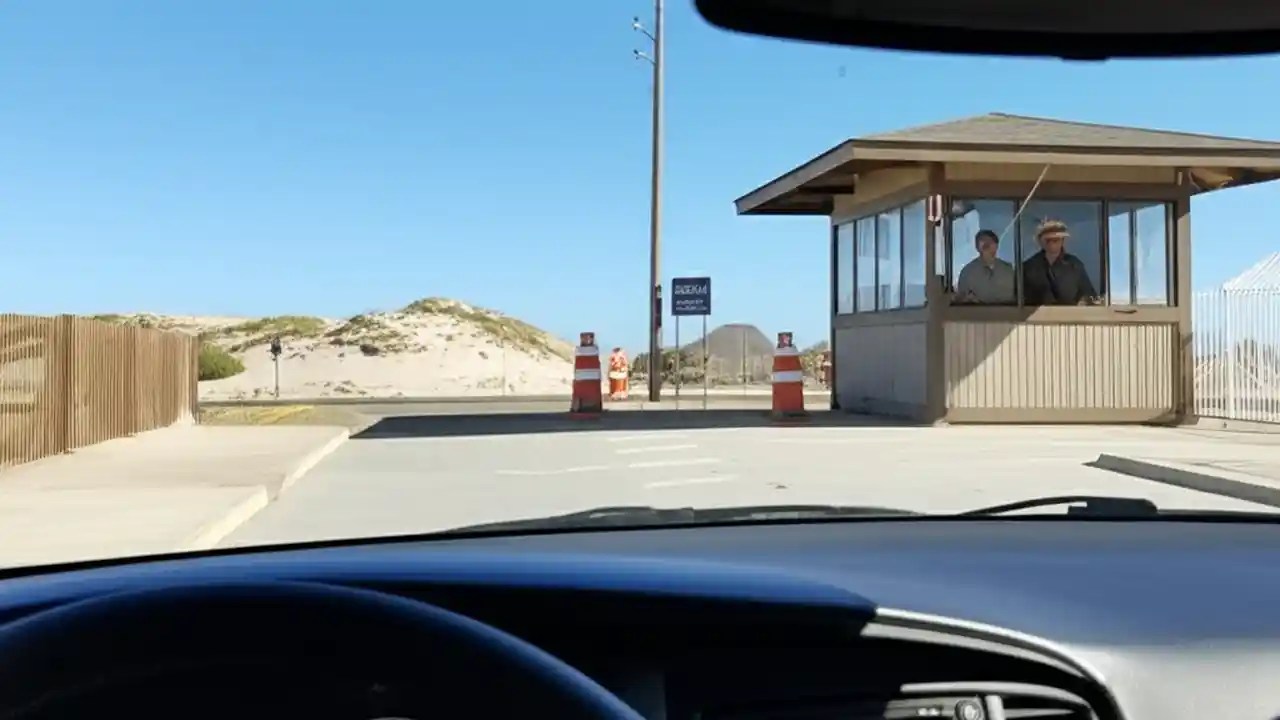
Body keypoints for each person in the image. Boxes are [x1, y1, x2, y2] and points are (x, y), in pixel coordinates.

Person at [1021, 219, 1099, 306]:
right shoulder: (1028, 267)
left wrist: (1083, 304)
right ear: (1040, 241)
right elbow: (1020, 300)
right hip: (1037, 318)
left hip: (1069, 317)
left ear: (1063, 240)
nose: (1052, 244)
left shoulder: (1075, 265)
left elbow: (1088, 294)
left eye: (1056, 240)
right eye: (1048, 240)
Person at [954, 229, 1016, 304]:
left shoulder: (1008, 270)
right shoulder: (967, 272)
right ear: (977, 246)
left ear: (997, 245)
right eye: (983, 241)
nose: (987, 245)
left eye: (991, 242)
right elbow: (961, 301)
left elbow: (1016, 297)